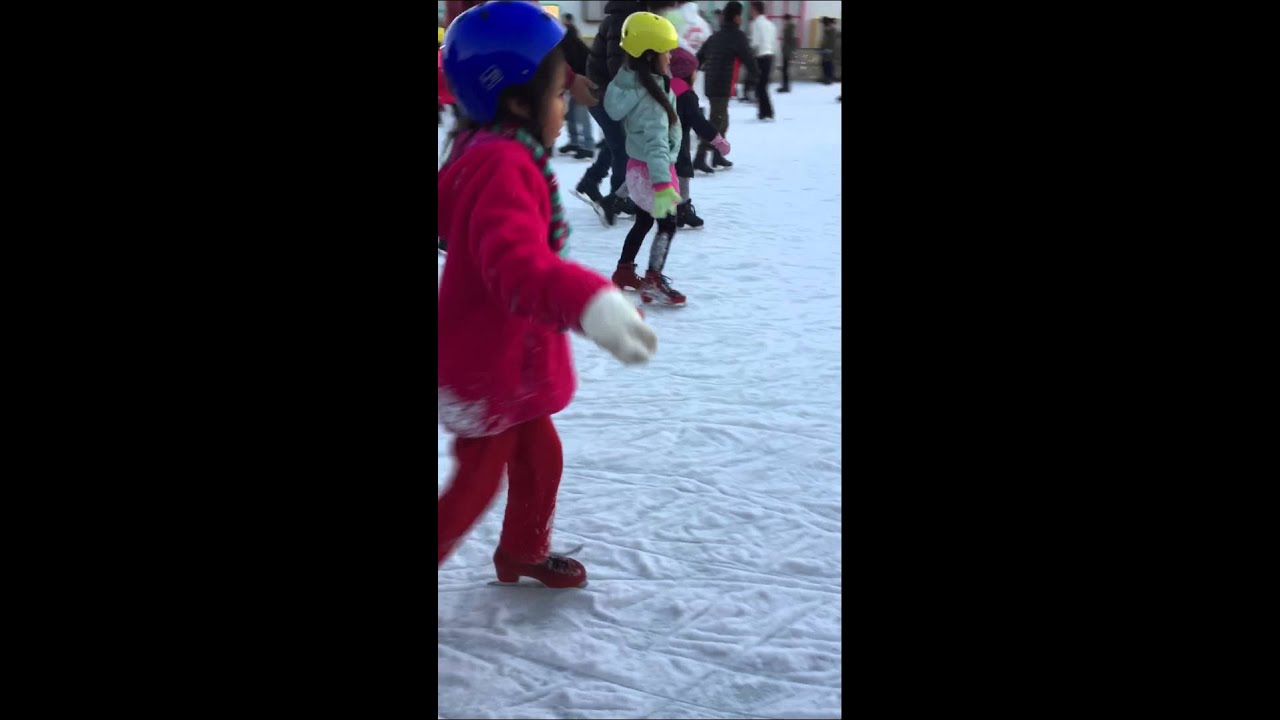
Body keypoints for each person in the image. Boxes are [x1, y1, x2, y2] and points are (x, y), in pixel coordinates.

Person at [437, 1, 658, 587]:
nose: (565, 106)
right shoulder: (501, 163)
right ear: (514, 101)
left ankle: (522, 552)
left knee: (541, 459)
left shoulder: (493, 150)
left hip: (513, 356)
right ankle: (518, 550)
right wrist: (588, 300)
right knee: (474, 487)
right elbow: (515, 264)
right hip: (490, 362)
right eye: (558, 93)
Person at [604, 11, 687, 306]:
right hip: (654, 174)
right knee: (667, 224)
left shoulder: (632, 83)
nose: (670, 57)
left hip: (637, 171)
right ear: (650, 54)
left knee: (642, 221)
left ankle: (624, 271)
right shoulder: (652, 99)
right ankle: (653, 278)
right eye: (666, 51)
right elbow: (656, 145)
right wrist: (664, 185)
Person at [576, 2, 677, 227]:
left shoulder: (632, 12)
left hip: (609, 92)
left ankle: (591, 181)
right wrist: (641, 92)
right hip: (606, 94)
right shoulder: (626, 16)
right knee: (622, 146)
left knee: (620, 141)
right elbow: (617, 64)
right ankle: (614, 200)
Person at [669, 47, 730, 227]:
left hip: (659, 140)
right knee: (683, 173)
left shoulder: (665, 88)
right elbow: (698, 122)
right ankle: (683, 210)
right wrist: (717, 140)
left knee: (649, 173)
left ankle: (616, 199)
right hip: (678, 143)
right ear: (688, 73)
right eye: (695, 70)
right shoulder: (687, 96)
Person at [695, 1, 757, 170]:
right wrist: (756, 75)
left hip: (712, 82)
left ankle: (717, 156)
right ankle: (700, 157)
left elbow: (699, 57)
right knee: (717, 122)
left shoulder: (716, 35)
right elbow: (748, 57)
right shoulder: (737, 36)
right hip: (721, 84)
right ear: (737, 17)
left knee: (723, 120)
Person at [559, 13, 595, 159]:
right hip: (575, 81)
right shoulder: (570, 42)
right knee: (572, 114)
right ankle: (574, 142)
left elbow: (576, 62)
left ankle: (588, 146)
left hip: (584, 81)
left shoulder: (570, 43)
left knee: (581, 114)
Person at [747, 1, 776, 120]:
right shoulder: (770, 24)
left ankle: (766, 112)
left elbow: (755, 42)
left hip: (760, 56)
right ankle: (766, 111)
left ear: (756, 10)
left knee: (760, 86)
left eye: (751, 9)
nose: (750, 12)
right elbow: (774, 41)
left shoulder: (756, 24)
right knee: (763, 85)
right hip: (769, 55)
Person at [778, 13, 796, 93]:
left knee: (786, 69)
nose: (784, 22)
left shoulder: (790, 28)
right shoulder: (788, 27)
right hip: (786, 50)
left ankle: (786, 86)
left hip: (788, 51)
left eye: (785, 20)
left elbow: (791, 40)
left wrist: (792, 51)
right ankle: (785, 85)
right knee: (785, 69)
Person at [820, 17, 837, 85]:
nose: (824, 26)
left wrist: (829, 49)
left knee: (828, 64)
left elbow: (832, 42)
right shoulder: (827, 31)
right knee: (824, 64)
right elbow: (824, 40)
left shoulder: (833, 31)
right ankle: (826, 77)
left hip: (829, 50)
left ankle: (829, 78)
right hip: (825, 49)